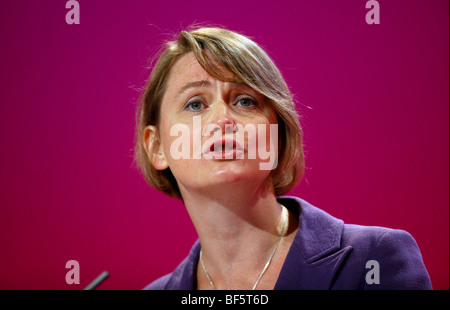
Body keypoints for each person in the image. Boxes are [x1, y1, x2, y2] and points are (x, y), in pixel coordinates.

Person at [134, 26, 432, 290]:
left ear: (279, 134)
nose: (223, 118)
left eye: (245, 101)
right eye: (195, 104)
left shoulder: (372, 259)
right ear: (157, 146)